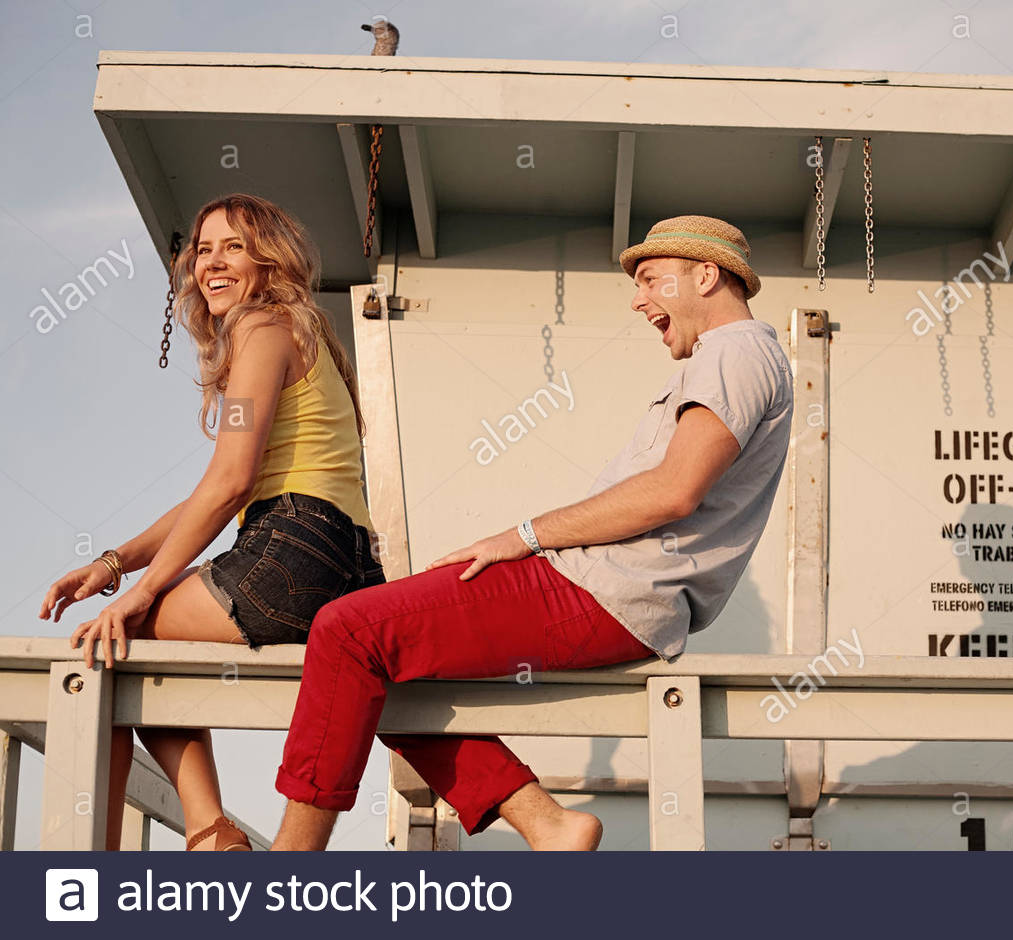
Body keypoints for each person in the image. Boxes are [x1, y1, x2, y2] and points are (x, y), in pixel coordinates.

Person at [271, 215, 793, 850]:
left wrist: (524, 535)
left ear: (707, 276)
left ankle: (291, 870)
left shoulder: (735, 351)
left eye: (653, 280)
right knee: (391, 660)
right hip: (608, 591)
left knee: (348, 630)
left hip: (602, 591)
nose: (639, 298)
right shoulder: (737, 356)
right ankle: (549, 826)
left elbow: (674, 489)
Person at [38, 194, 385, 850]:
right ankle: (210, 834)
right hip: (353, 567)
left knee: (114, 641)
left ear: (268, 258)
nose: (213, 263)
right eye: (203, 249)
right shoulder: (296, 331)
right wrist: (114, 564)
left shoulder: (262, 328)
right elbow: (215, 486)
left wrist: (139, 596)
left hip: (296, 549)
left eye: (234, 246)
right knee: (132, 628)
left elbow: (230, 485)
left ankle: (153, 850)